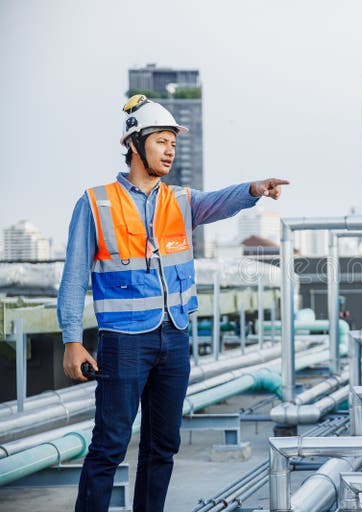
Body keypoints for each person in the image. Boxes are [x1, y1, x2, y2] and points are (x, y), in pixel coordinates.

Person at [57, 94, 289, 511]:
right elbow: (73, 278)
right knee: (109, 445)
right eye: (161, 141)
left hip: (175, 337)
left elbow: (220, 201)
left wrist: (254, 189)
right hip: (124, 342)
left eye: (173, 144)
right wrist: (72, 339)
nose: (169, 151)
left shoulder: (180, 201)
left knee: (163, 446)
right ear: (134, 143)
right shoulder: (96, 203)